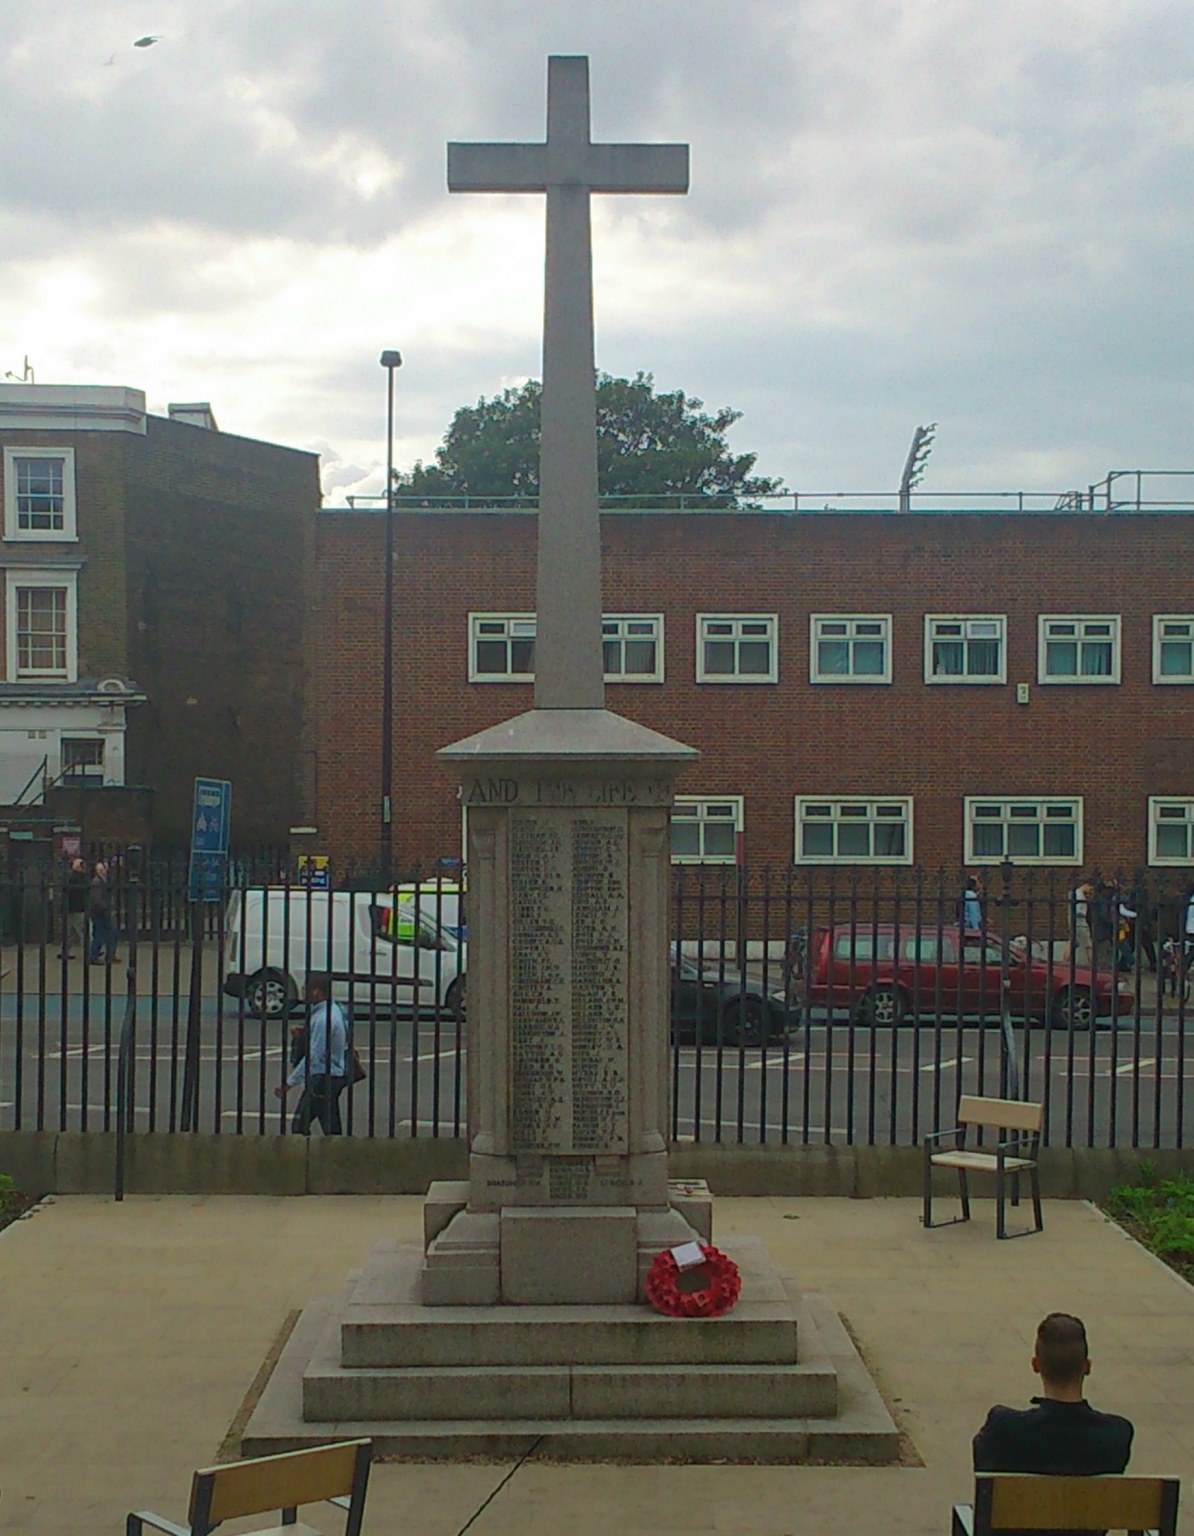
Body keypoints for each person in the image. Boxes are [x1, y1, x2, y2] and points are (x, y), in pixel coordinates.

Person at [973, 1312, 1133, 1476]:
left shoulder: (1004, 1427)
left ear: (1036, 1365)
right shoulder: (1117, 1435)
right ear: (1087, 1367)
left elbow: (984, 1470)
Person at [274, 972, 349, 1135]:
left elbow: (314, 1056)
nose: (303, 992)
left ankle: (308, 1151)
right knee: (331, 1127)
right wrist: (305, 1033)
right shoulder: (335, 1009)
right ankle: (336, 1149)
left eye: (305, 988)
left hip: (322, 1079)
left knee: (299, 1126)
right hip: (332, 1076)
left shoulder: (324, 1019)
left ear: (317, 991)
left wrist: (289, 1083)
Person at [88, 859, 116, 964]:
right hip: (99, 913)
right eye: (105, 869)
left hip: (102, 912)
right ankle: (94, 956)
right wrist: (105, 908)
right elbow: (97, 899)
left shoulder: (104, 880)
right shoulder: (97, 882)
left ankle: (110, 955)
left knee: (109, 933)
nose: (106, 871)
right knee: (100, 934)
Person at [59, 857, 88, 959]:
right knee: (83, 931)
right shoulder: (77, 878)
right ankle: (88, 952)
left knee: (70, 932)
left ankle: (64, 951)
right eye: (82, 866)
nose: (84, 868)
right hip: (77, 909)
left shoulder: (72, 877)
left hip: (70, 909)